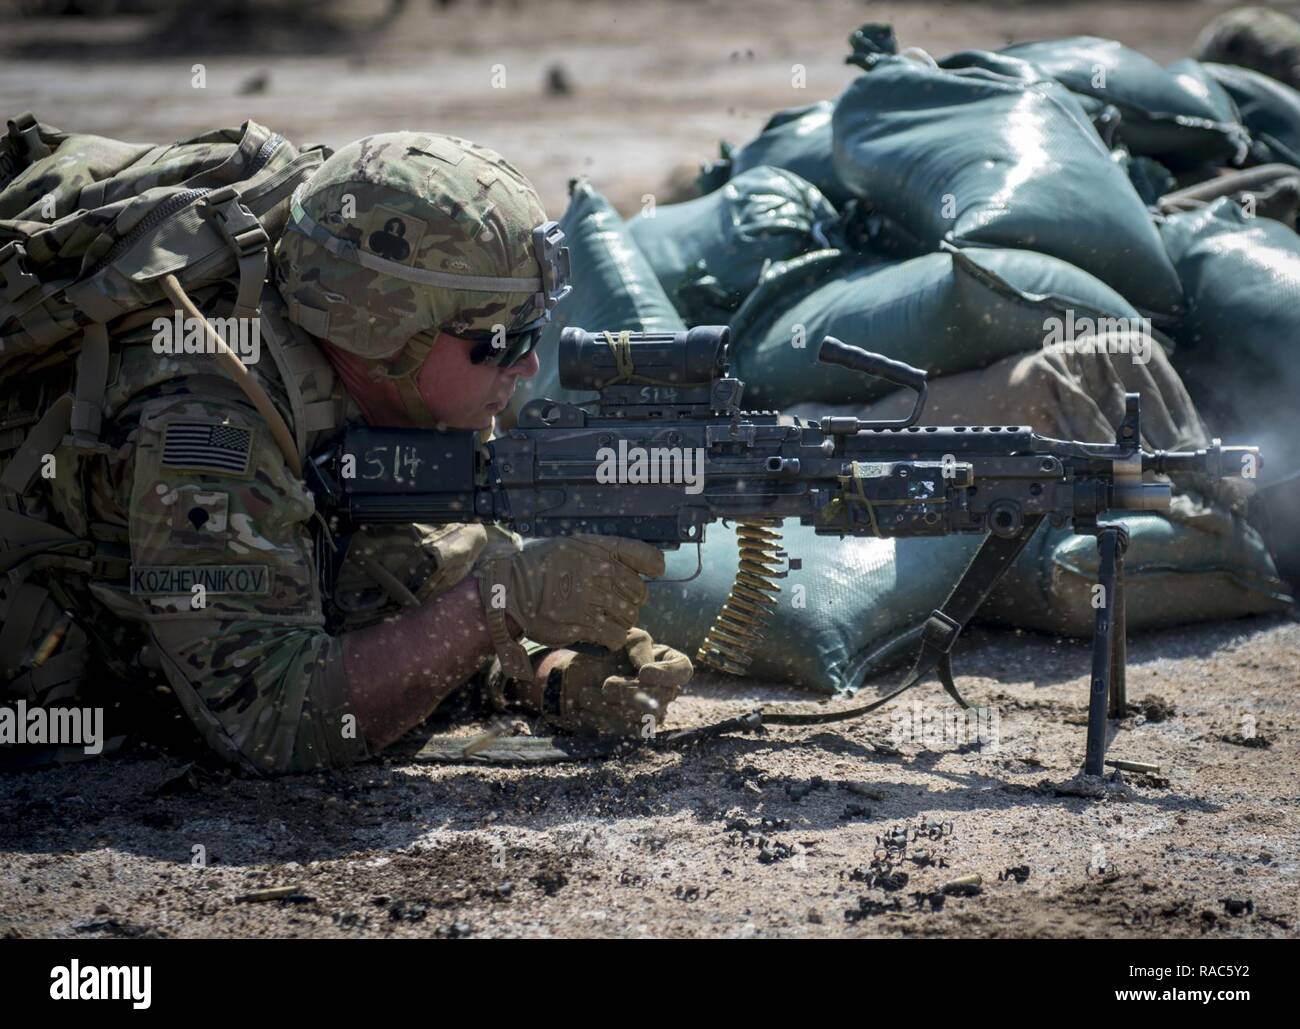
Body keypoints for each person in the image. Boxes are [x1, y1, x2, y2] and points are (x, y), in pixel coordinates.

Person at [0, 131, 690, 773]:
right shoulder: (211, 421)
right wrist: (502, 604)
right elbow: (272, 719)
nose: (530, 366)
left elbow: (413, 582)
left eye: (535, 330)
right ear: (388, 332)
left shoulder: (394, 390)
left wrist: (546, 666)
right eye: (503, 340)